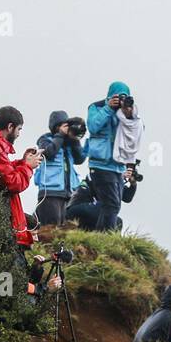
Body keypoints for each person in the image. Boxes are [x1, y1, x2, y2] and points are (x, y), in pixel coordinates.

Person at [0, 106, 41, 253]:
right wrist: (28, 167)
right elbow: (13, 183)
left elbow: (4, 171)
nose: (18, 134)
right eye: (19, 129)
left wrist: (23, 162)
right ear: (10, 127)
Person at [82, 81, 131, 231]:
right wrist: (109, 108)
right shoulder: (96, 107)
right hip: (100, 164)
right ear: (111, 95)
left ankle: (100, 238)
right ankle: (106, 239)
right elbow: (93, 126)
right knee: (112, 204)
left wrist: (129, 114)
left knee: (112, 205)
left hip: (118, 166)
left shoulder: (127, 113)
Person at [33, 110, 86, 226]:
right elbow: (49, 153)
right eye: (64, 126)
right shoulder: (45, 139)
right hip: (50, 193)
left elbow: (80, 159)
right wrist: (60, 135)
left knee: (66, 231)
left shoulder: (69, 143)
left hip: (68, 194)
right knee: (50, 230)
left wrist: (75, 140)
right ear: (56, 127)